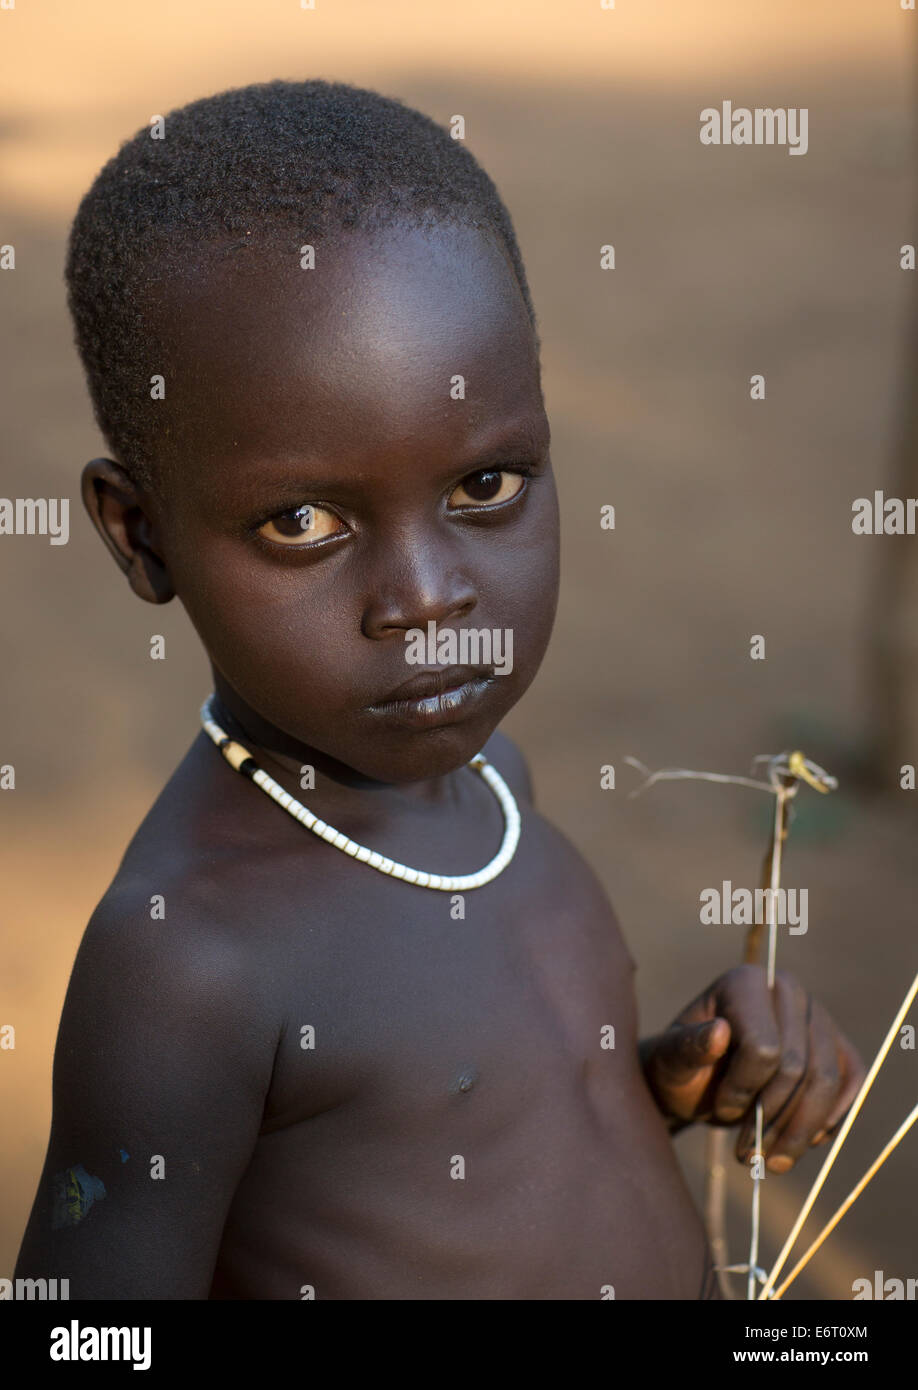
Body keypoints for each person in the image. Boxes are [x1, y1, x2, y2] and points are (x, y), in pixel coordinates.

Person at [15, 79, 864, 1299]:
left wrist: (656, 1089)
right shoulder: (188, 963)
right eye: (302, 520)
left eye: (485, 489)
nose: (426, 603)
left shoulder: (492, 785)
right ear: (143, 537)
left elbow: (435, 1160)